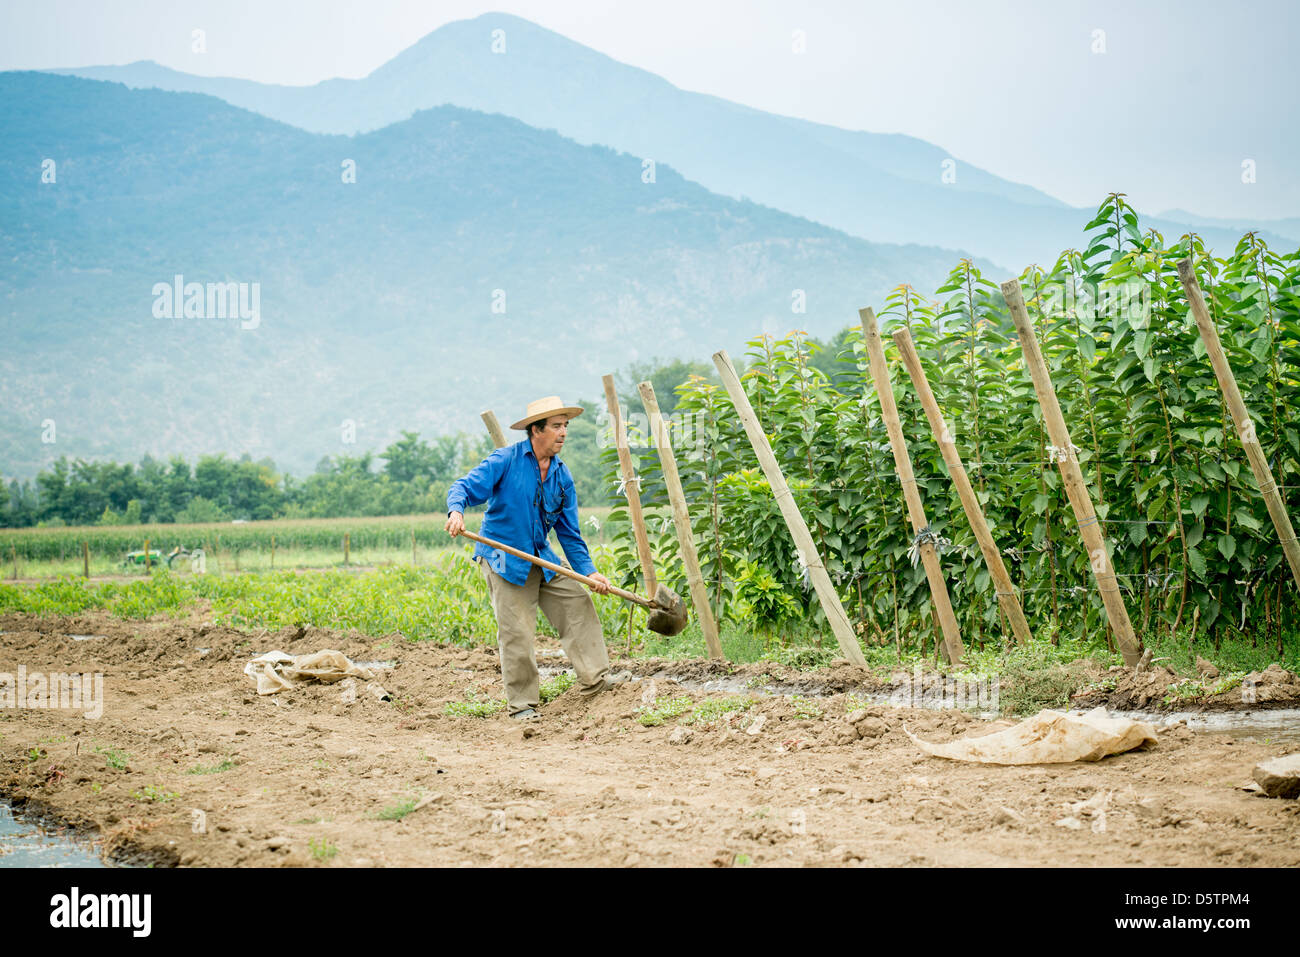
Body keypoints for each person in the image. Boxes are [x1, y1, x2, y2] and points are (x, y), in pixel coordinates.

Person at [445, 396, 628, 719]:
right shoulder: (506, 461)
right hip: (503, 558)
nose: (563, 433)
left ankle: (596, 679)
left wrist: (590, 571)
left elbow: (569, 534)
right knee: (517, 631)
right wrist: (456, 512)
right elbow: (463, 487)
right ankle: (522, 705)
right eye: (556, 426)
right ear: (536, 430)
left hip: (540, 557)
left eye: (565, 426)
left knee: (576, 601)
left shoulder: (562, 476)